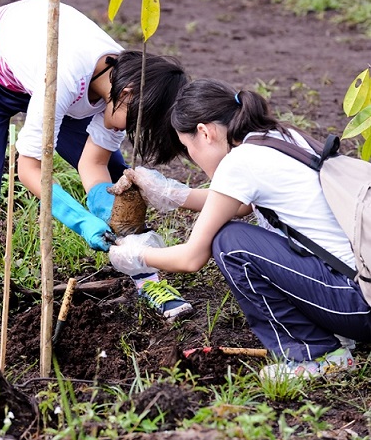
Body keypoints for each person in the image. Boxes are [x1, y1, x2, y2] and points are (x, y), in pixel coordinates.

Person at [0, 0, 190, 343]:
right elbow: (28, 168)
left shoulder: (126, 83)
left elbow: (94, 163)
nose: (128, 132)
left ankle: (145, 276)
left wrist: (104, 205)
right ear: (128, 94)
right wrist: (79, 219)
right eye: (134, 123)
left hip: (45, 72)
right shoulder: (64, 76)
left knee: (118, 177)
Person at [111, 81, 368, 380]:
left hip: (358, 305)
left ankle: (316, 355)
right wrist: (173, 194)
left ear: (205, 132)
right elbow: (242, 205)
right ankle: (334, 330)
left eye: (187, 146)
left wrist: (136, 254)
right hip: (363, 283)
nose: (191, 155)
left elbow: (191, 258)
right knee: (239, 238)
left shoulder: (240, 163)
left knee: (231, 243)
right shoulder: (279, 136)